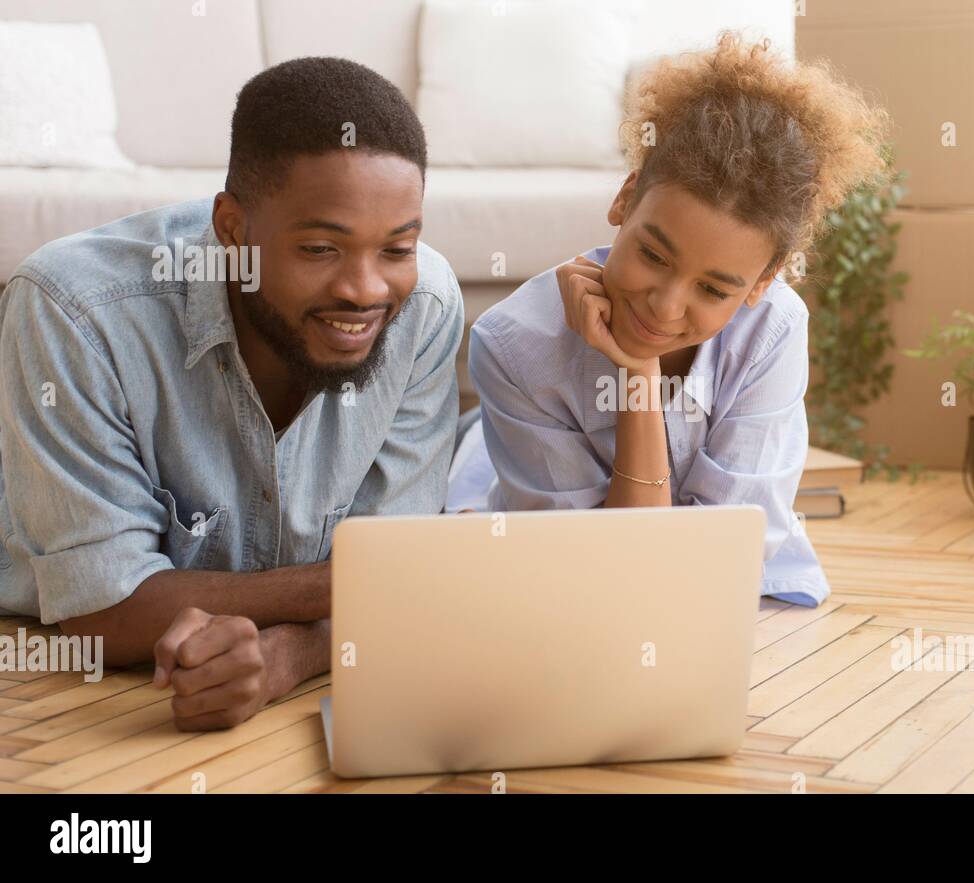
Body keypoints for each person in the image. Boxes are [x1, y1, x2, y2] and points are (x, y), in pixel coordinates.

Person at [0, 57, 463, 730]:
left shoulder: (426, 305)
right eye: (320, 250)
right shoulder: (73, 309)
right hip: (63, 680)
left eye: (396, 249)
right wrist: (352, 584)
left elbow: (397, 581)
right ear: (232, 227)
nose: (366, 289)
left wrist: (286, 658)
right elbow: (101, 609)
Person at [447, 33, 887, 607]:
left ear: (763, 281)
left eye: (712, 288)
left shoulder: (773, 329)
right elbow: (606, 583)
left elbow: (706, 569)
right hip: (556, 571)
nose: (664, 307)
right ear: (625, 200)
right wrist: (639, 377)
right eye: (653, 256)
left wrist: (638, 368)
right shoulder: (515, 344)